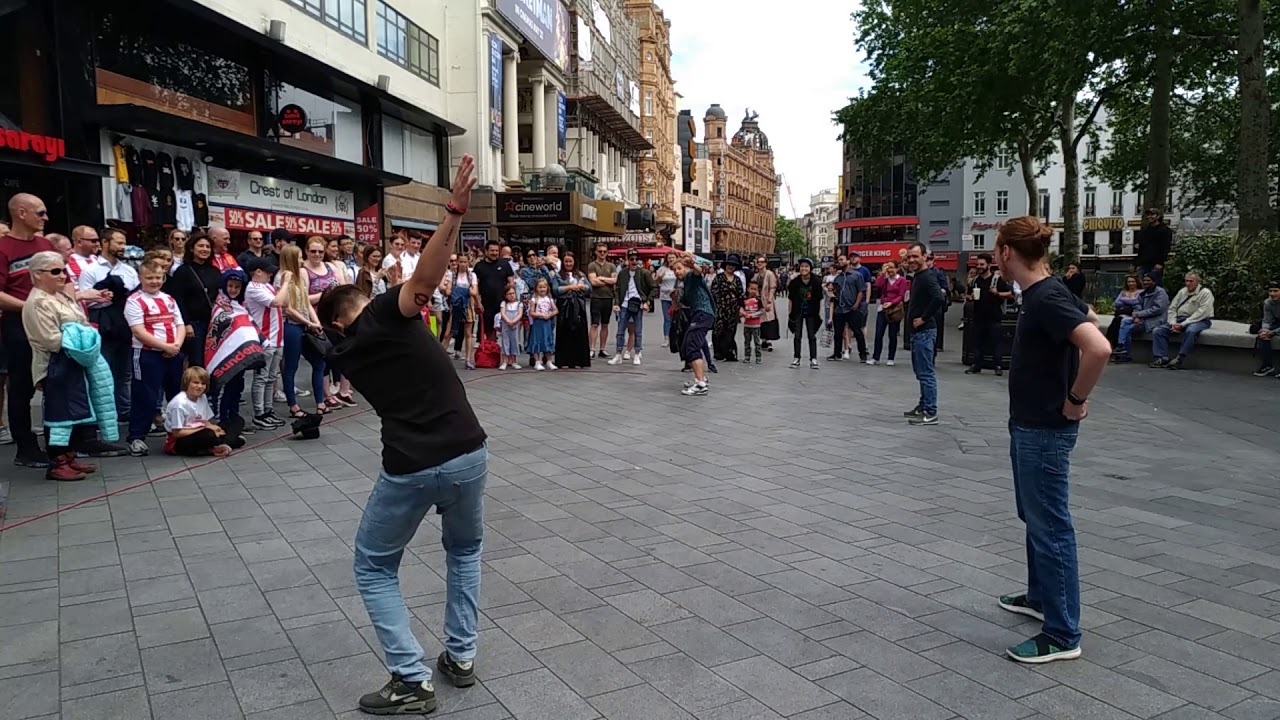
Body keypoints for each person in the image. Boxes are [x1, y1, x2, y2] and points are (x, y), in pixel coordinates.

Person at [316, 156, 485, 716]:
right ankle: (458, 657)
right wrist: (454, 211)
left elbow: (418, 284)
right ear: (362, 306)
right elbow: (426, 279)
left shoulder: (345, 349)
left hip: (410, 465)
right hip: (466, 453)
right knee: (464, 550)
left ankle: (411, 677)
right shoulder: (387, 314)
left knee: (374, 564)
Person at [994, 215, 1110, 664]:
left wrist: (1076, 397)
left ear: (1007, 252)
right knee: (1034, 515)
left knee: (1050, 526)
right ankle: (1040, 597)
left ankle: (1062, 634)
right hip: (1030, 423)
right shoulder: (1048, 291)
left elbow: (1097, 345)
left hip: (1044, 428)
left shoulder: (1044, 297)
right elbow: (1090, 316)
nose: (994, 259)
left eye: (995, 251)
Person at [21, 251, 115, 480]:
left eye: (63, 270)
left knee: (76, 412)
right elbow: (50, 339)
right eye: (55, 271)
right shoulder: (37, 302)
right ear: (37, 274)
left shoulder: (60, 295)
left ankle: (70, 457)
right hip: (56, 365)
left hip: (76, 360)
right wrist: (83, 339)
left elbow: (81, 322)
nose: (62, 275)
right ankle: (56, 462)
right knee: (60, 415)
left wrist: (83, 337)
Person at [1, 193, 59, 467]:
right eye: (41, 212)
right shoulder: (3, 248)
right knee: (22, 386)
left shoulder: (46, 244)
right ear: (21, 213)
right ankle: (25, 448)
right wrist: (31, 307)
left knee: (56, 382)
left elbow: (64, 279)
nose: (46, 218)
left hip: (52, 321)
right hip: (19, 325)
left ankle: (59, 444)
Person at [124, 259, 187, 457]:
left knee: (177, 395)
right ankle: (136, 437)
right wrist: (166, 346)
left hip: (173, 353)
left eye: (158, 278)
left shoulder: (169, 299)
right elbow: (138, 331)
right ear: (140, 278)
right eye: (149, 278)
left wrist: (176, 345)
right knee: (145, 396)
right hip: (146, 354)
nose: (154, 281)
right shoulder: (134, 300)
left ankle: (178, 434)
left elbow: (180, 324)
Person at [78, 227, 139, 422]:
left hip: (125, 324)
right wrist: (102, 296)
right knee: (102, 371)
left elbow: (137, 296)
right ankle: (102, 415)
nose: (123, 247)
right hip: (102, 323)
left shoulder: (129, 270)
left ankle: (124, 411)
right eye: (119, 242)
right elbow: (83, 299)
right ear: (105, 243)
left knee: (124, 372)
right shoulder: (91, 270)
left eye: (124, 243)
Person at [277, 245, 328, 417]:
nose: (301, 260)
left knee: (319, 362)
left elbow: (306, 302)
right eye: (299, 257)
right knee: (291, 365)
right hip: (291, 326)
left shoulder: (299, 276)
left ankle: (320, 402)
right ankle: (293, 405)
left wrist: (316, 322)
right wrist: (309, 322)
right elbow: (288, 309)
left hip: (305, 325)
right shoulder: (283, 278)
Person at [244, 258, 289, 430]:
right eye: (267, 271)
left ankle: (268, 410)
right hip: (265, 338)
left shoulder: (267, 286)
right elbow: (277, 302)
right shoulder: (253, 288)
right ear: (257, 272)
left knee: (271, 377)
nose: (270, 274)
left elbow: (283, 301)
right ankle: (259, 413)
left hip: (277, 338)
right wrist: (286, 283)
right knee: (261, 378)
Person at [164, 233, 221, 367]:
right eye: (200, 246)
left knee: (212, 360)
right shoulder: (182, 271)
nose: (204, 249)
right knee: (197, 360)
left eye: (208, 247)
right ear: (191, 248)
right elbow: (178, 298)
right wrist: (186, 323)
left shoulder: (215, 271)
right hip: (193, 324)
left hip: (213, 323)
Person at [905, 242, 945, 425]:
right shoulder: (919, 276)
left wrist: (923, 318)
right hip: (919, 332)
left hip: (925, 331)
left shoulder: (927, 277)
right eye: (909, 257)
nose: (912, 260)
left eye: (915, 256)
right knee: (921, 372)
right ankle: (923, 406)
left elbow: (939, 298)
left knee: (926, 373)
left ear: (924, 257)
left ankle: (930, 411)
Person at [164, 366, 242, 457]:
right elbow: (177, 433)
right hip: (180, 440)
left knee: (237, 420)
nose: (200, 387)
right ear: (187, 383)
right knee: (208, 435)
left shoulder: (202, 397)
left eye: (203, 384)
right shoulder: (179, 404)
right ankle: (227, 441)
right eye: (196, 383)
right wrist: (206, 429)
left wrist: (213, 427)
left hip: (200, 429)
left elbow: (203, 420)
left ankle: (224, 443)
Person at [1150, 272, 1215, 370]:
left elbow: (1202, 312)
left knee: (1191, 331)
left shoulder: (1205, 293)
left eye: (1191, 281)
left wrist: (1183, 324)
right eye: (1186, 281)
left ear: (1197, 282)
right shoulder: (1182, 292)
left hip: (1199, 320)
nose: (1188, 283)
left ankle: (1180, 358)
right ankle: (1162, 357)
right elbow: (1172, 308)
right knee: (1158, 331)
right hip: (1179, 319)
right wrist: (1173, 323)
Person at [672, 253, 714, 395]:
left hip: (703, 312)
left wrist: (691, 265)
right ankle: (701, 377)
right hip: (697, 314)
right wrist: (674, 299)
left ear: (686, 268)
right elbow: (681, 305)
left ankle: (700, 384)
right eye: (674, 270)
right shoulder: (684, 287)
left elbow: (698, 271)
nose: (677, 272)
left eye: (679, 268)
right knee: (685, 347)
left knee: (692, 346)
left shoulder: (692, 277)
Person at [965, 253, 1013, 376]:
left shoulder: (997, 280)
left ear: (989, 265)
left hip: (994, 316)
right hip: (979, 316)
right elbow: (967, 295)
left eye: (982, 264)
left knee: (995, 342)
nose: (979, 267)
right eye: (978, 264)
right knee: (977, 342)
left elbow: (1010, 294)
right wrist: (969, 297)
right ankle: (976, 364)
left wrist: (997, 293)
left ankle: (997, 365)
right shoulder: (975, 280)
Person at [609, 248, 654, 366]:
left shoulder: (644, 273)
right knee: (620, 331)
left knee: (637, 331)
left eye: (636, 259)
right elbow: (617, 289)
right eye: (631, 259)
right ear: (627, 260)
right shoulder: (623, 273)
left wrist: (647, 301)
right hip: (624, 305)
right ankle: (618, 354)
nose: (634, 261)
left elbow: (653, 288)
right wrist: (616, 303)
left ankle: (637, 353)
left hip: (638, 304)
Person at [1114, 274, 1169, 364]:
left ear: (1154, 281)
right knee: (1124, 321)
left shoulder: (1160, 292)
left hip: (1156, 320)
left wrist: (1139, 314)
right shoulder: (1143, 293)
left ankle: (1125, 352)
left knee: (1128, 329)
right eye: (1144, 280)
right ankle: (1121, 347)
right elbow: (1137, 305)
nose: (1146, 282)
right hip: (1143, 318)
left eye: (1148, 280)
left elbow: (1158, 309)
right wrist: (1137, 316)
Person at [551, 253, 592, 369]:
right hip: (564, 307)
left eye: (570, 261)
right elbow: (555, 290)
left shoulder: (580, 275)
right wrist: (569, 287)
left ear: (574, 262)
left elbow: (589, 289)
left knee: (579, 333)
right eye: (566, 262)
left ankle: (579, 360)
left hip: (578, 307)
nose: (568, 264)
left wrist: (583, 287)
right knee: (564, 333)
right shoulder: (558, 276)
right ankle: (564, 360)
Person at [829, 255, 869, 363]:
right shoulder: (838, 277)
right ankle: (837, 353)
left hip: (851, 308)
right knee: (838, 333)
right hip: (840, 309)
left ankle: (863, 354)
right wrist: (832, 290)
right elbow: (835, 291)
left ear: (847, 261)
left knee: (857, 331)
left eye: (842, 260)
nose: (840, 262)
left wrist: (856, 305)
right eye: (838, 260)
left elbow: (861, 290)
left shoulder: (857, 275)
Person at [473, 239, 514, 341]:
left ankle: (506, 353)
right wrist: (477, 302)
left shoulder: (504, 264)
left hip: (502, 304)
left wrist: (510, 299)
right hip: (486, 304)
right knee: (488, 331)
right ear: (486, 251)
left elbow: (511, 283)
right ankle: (491, 350)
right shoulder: (479, 266)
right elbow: (475, 286)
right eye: (492, 251)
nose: (494, 253)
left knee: (506, 330)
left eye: (496, 251)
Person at [787, 258, 824, 369]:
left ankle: (813, 358)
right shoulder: (795, 282)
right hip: (797, 311)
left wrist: (819, 313)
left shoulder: (816, 281)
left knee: (811, 336)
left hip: (812, 312)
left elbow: (820, 298)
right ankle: (796, 358)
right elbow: (791, 299)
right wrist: (790, 314)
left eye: (806, 266)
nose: (804, 268)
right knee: (797, 335)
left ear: (810, 268)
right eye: (802, 266)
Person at [870, 261, 908, 366]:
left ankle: (891, 358)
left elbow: (901, 295)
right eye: (888, 268)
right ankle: (875, 357)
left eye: (892, 267)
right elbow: (878, 285)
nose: (890, 270)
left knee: (892, 334)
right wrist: (882, 273)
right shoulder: (885, 280)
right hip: (883, 308)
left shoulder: (901, 280)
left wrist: (892, 302)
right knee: (878, 333)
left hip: (894, 310)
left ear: (897, 268)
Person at [448, 255, 480, 368]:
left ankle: (468, 359)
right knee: (449, 332)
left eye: (465, 262)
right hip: (456, 305)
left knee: (468, 333)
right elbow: (448, 291)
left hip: (467, 305)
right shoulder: (452, 274)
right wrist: (466, 291)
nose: (462, 264)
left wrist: (458, 291)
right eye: (460, 261)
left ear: (468, 262)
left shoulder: (472, 275)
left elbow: (475, 291)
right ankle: (441, 358)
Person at [586, 243, 618, 359]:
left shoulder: (611, 266)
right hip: (596, 297)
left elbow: (615, 280)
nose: (602, 253)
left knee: (605, 324)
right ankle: (592, 348)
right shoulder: (592, 265)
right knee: (594, 324)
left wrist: (602, 278)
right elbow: (593, 282)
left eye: (604, 251)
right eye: (600, 251)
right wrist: (608, 281)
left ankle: (602, 349)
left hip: (608, 297)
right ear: (596, 252)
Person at [1104, 275, 1142, 355]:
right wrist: (1130, 301)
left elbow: (1136, 302)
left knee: (1118, 321)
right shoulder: (1123, 292)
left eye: (1133, 282)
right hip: (1121, 314)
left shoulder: (1140, 292)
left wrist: (1124, 300)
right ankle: (1114, 345)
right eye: (1129, 282)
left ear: (1137, 282)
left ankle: (1116, 345)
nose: (1131, 283)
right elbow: (1116, 303)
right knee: (1116, 321)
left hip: (1133, 314)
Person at [1134, 208, 1172, 286]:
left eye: (1152, 214)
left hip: (1155, 264)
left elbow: (1165, 247)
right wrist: (1137, 263)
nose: (1149, 217)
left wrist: (1160, 262)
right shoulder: (1145, 231)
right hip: (1144, 263)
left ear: (1158, 216)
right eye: (1148, 215)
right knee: (1142, 285)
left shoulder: (1165, 230)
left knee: (1155, 285)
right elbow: (1141, 248)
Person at [527, 278, 557, 370]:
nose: (542, 289)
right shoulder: (534, 299)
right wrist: (540, 315)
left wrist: (549, 315)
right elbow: (531, 312)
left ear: (547, 288)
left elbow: (556, 310)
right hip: (537, 323)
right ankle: (537, 361)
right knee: (537, 340)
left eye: (544, 287)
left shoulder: (549, 299)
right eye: (540, 287)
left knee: (547, 340)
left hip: (547, 323)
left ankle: (549, 361)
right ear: (536, 288)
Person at [1253, 281, 1280, 376]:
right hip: (1277, 323)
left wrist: (1273, 332)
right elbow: (1267, 319)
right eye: (1270, 291)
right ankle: (1267, 366)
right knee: (1262, 336)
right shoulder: (1268, 302)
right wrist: (1265, 330)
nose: (1272, 294)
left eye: (1276, 291)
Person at [752, 255, 779, 351]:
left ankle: (769, 340)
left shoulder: (769, 274)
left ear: (765, 264)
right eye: (758, 262)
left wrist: (769, 300)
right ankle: (763, 339)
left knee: (769, 320)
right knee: (761, 320)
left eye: (762, 262)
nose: (760, 263)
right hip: (758, 300)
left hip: (767, 299)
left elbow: (772, 288)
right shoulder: (756, 275)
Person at [656, 251, 679, 346]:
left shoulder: (678, 268)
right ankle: (666, 339)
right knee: (667, 319)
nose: (671, 259)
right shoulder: (662, 269)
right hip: (665, 297)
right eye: (669, 257)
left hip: (677, 297)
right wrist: (660, 277)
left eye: (673, 257)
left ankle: (677, 338)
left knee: (677, 318)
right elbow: (656, 282)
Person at [497, 286, 523, 370]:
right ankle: (504, 361)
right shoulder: (504, 304)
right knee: (505, 342)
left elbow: (520, 314)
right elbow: (503, 313)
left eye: (513, 293)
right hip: (506, 326)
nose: (512, 295)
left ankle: (514, 361)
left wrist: (513, 321)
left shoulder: (519, 303)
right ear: (505, 295)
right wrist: (508, 321)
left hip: (515, 326)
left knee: (515, 341)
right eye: (509, 294)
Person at [740, 279, 765, 363]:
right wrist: (743, 313)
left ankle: (758, 357)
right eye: (752, 289)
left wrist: (752, 315)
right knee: (747, 341)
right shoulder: (744, 299)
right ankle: (747, 356)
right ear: (748, 289)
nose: (753, 291)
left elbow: (762, 311)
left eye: (755, 289)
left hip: (756, 325)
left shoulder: (758, 300)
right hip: (747, 324)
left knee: (757, 341)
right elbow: (741, 308)